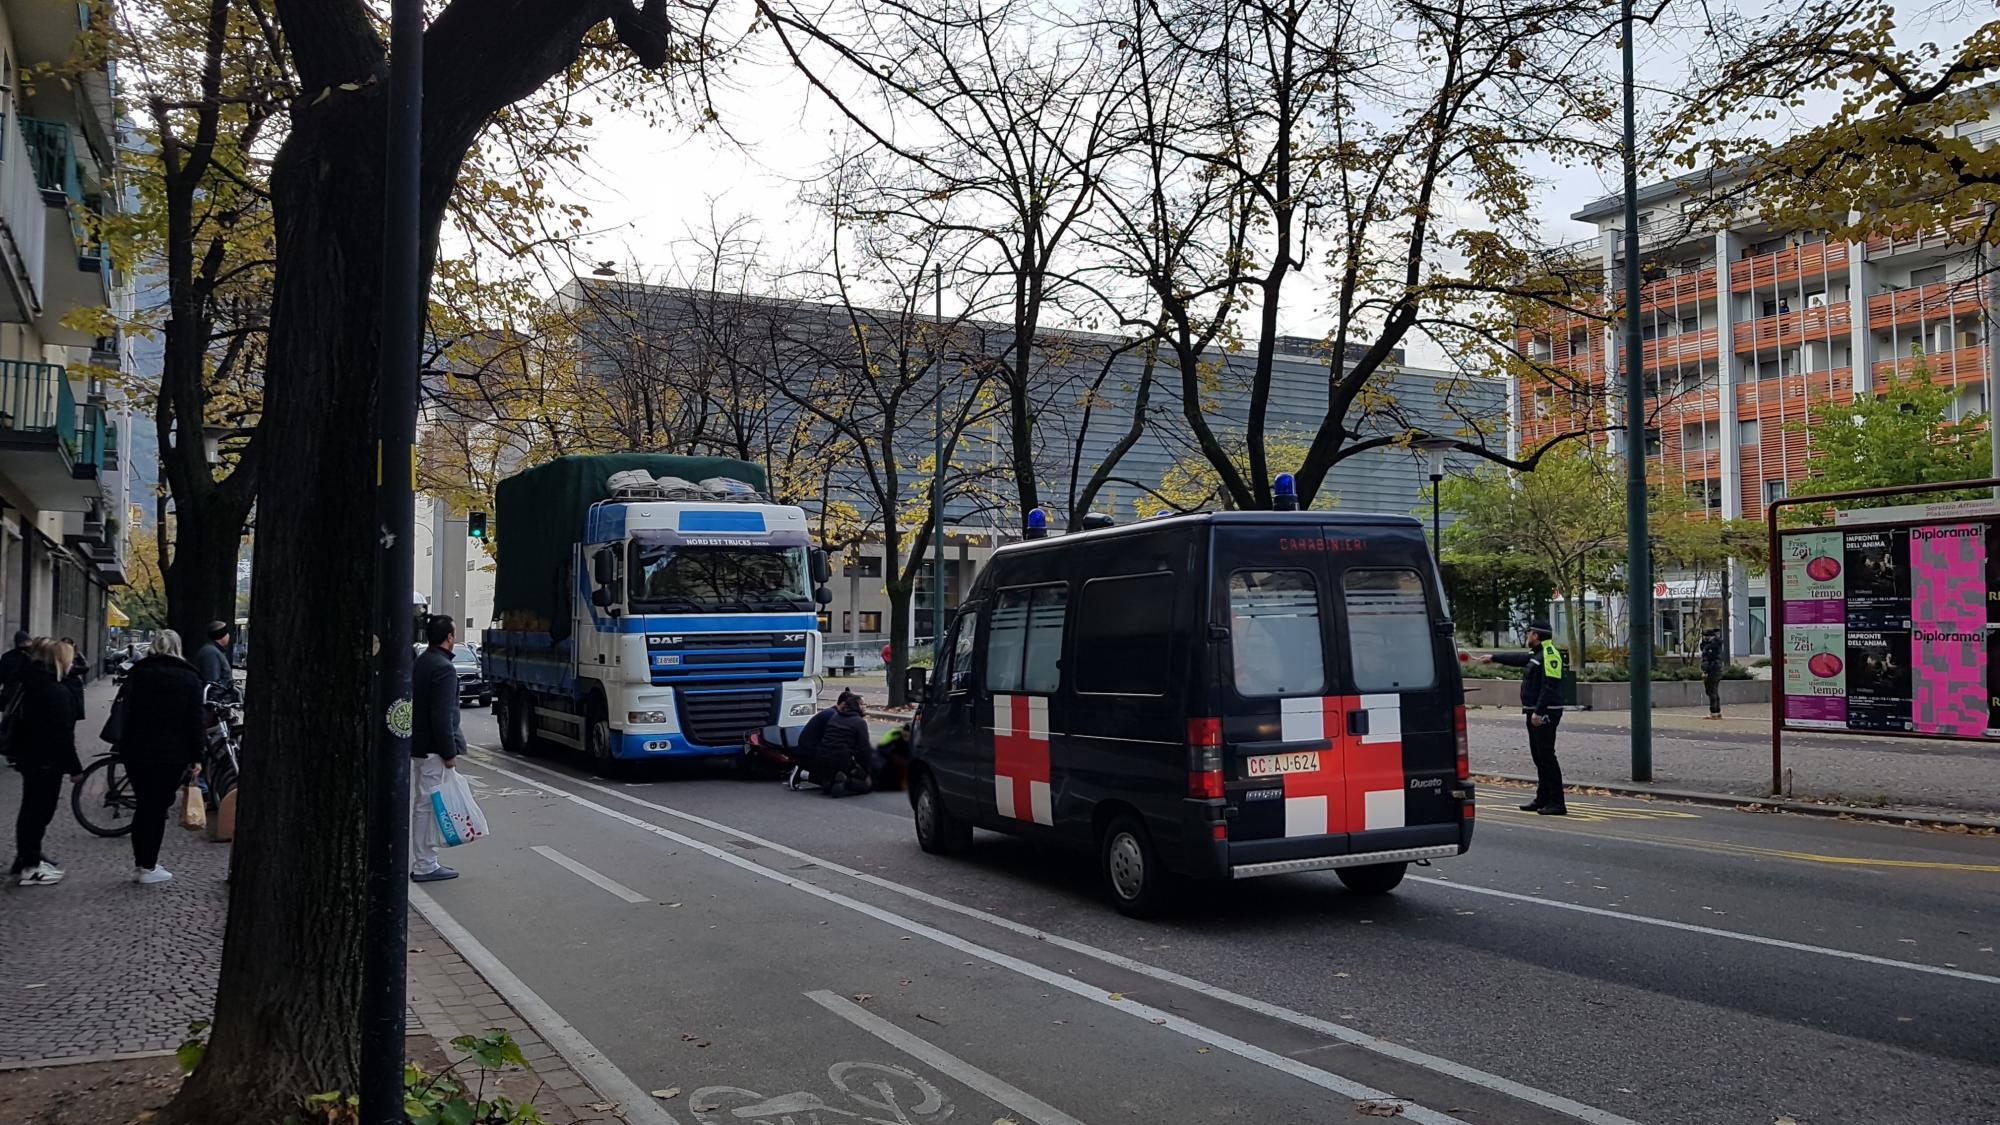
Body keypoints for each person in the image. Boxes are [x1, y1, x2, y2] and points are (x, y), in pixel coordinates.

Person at [113, 630, 205, 884]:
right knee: (156, 808)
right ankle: (147, 865)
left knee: (144, 805)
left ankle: (142, 862)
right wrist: (197, 757)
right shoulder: (188, 677)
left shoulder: (138, 673)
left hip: (136, 750)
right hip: (171, 753)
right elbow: (194, 721)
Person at [9, 639, 83, 884]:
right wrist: (74, 768)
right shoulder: (54, 691)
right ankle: (30, 866)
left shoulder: (33, 683)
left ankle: (26, 859)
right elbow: (62, 733)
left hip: (30, 755)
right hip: (45, 759)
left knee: (31, 809)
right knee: (39, 812)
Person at [1482, 622, 1567, 815]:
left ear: (1536, 635)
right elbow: (1520, 658)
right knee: (1539, 757)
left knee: (1546, 756)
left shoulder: (1550, 654)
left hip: (1545, 712)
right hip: (1534, 710)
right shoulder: (1536, 654)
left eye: (1529, 632)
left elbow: (1551, 685)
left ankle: (1557, 802)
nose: (1527, 635)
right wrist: (1494, 657)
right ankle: (1542, 798)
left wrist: (1539, 711)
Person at [410, 615, 465, 882]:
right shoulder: (444, 668)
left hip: (420, 746)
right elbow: (442, 715)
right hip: (434, 749)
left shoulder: (422, 662)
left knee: (424, 803)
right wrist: (450, 752)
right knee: (427, 805)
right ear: (450, 637)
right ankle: (425, 863)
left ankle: (425, 860)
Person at [805, 692, 874, 797]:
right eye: (863, 704)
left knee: (836, 770)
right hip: (841, 760)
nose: (865, 707)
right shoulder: (859, 722)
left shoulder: (835, 717)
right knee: (867, 785)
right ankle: (846, 782)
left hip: (822, 757)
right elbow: (864, 750)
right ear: (857, 706)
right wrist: (867, 770)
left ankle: (830, 781)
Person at [194, 621, 235, 695]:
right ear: (222, 636)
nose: (229, 636)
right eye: (227, 633)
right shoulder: (211, 653)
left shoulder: (213, 651)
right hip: (217, 700)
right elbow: (212, 682)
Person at [1699, 627, 1725, 720]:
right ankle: (1717, 712)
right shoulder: (1716, 644)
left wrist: (1705, 671)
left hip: (1712, 671)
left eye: (1705, 636)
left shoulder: (1711, 646)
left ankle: (1713, 712)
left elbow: (1707, 659)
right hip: (1717, 670)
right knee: (1714, 691)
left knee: (1711, 691)